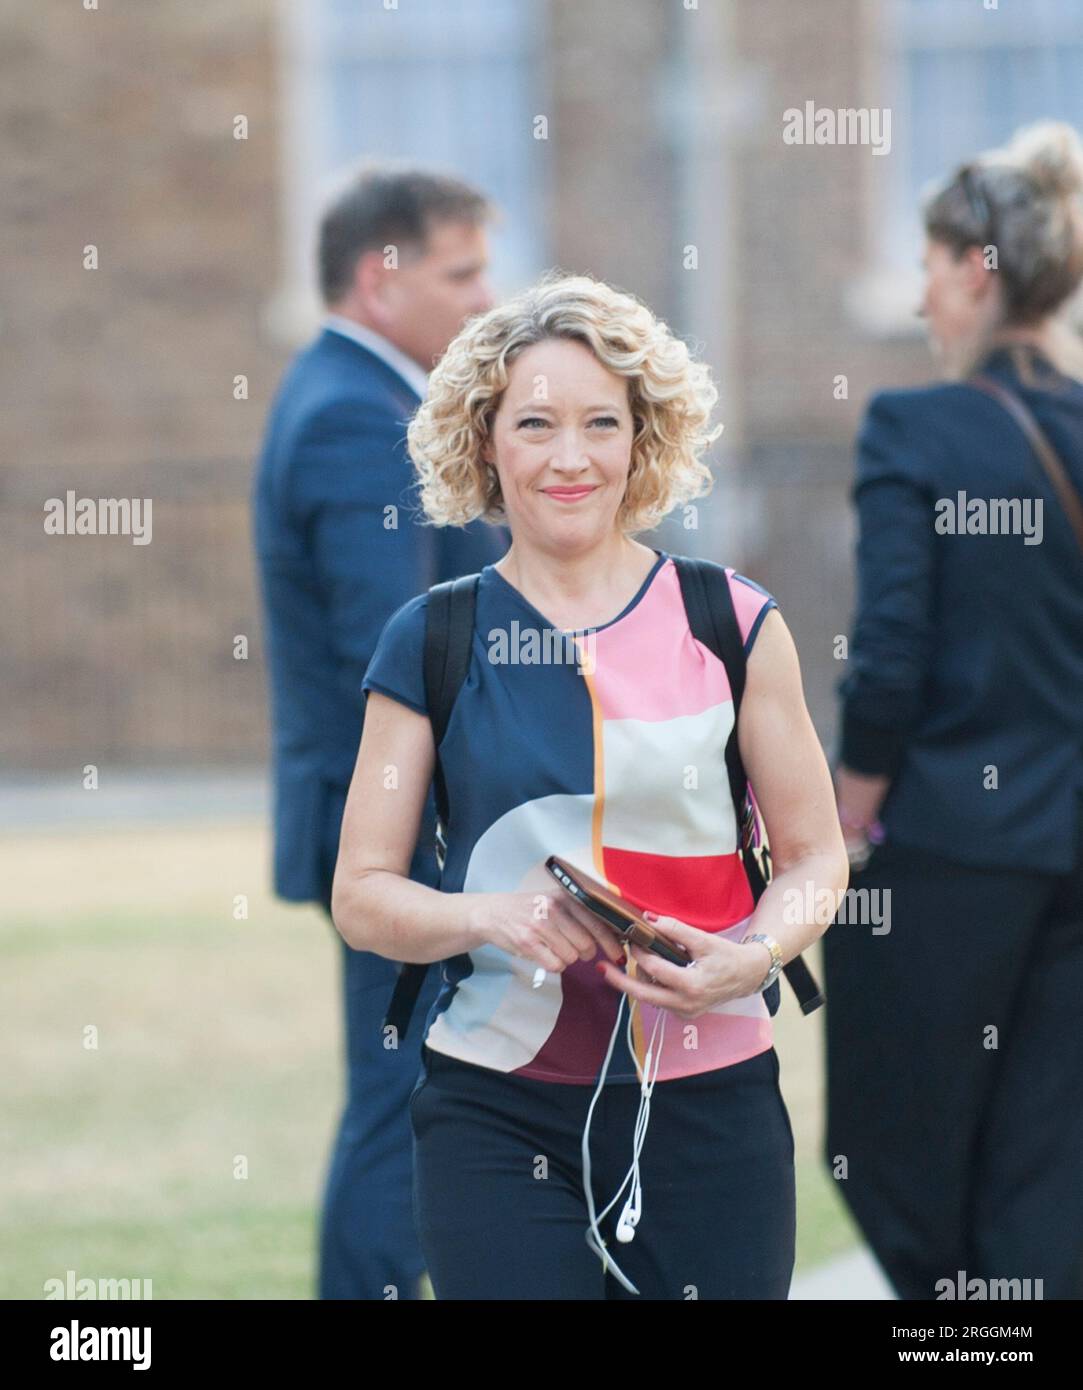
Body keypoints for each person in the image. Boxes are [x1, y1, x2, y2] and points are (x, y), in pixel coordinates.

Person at [330, 271, 849, 1300]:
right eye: (534, 424)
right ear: (484, 442)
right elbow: (362, 894)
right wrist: (492, 915)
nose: (569, 457)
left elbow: (814, 858)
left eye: (601, 423)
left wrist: (754, 957)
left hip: (711, 1103)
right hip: (494, 1109)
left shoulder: (734, 622)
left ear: (641, 439)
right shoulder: (431, 639)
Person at [827, 122, 1083, 1299]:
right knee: (1042, 1170)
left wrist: (838, 827)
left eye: (930, 265)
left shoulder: (915, 428)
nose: (921, 294)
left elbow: (889, 657)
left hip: (941, 853)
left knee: (893, 1156)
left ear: (977, 271)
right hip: (1067, 858)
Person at [252, 163, 508, 1300]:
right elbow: (394, 655)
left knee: (416, 1093)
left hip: (399, 822)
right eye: (462, 273)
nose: (484, 298)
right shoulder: (356, 420)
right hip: (392, 829)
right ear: (379, 277)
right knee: (402, 1103)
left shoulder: (351, 397)